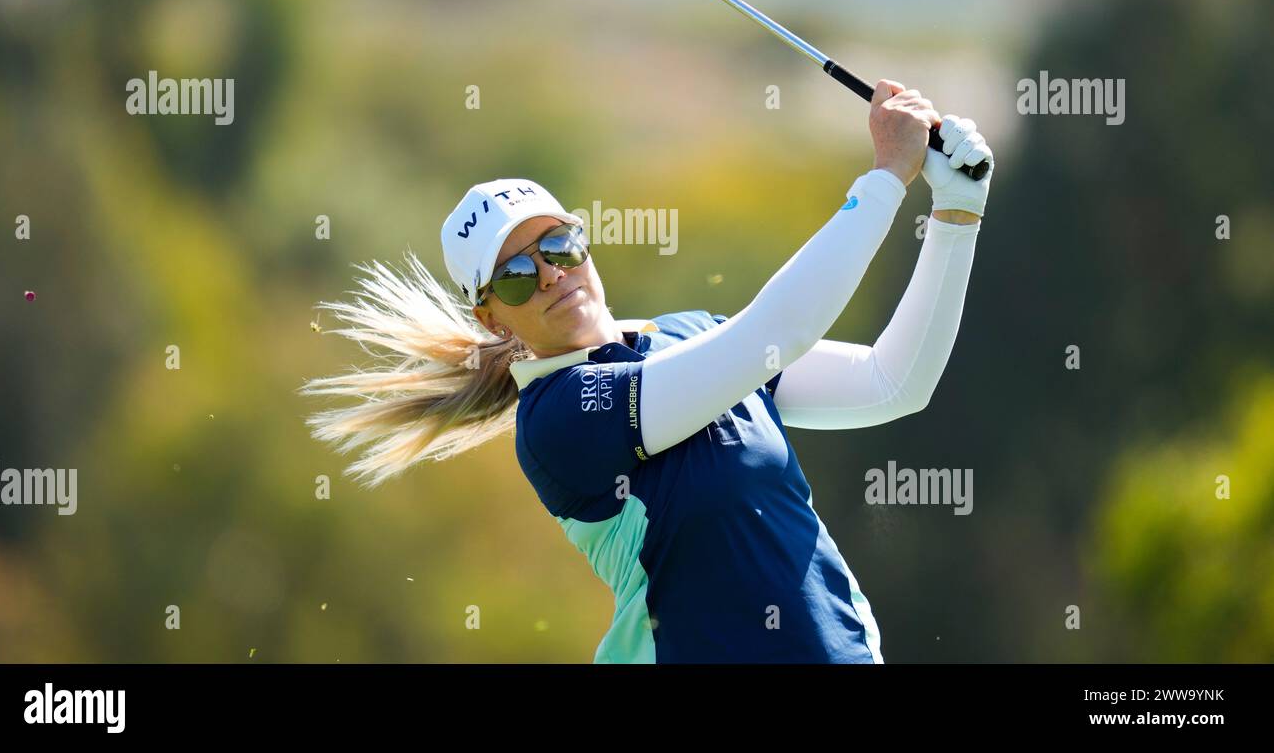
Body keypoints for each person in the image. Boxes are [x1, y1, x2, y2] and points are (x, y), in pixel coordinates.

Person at [301, 78, 994, 663]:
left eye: (557, 244)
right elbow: (773, 334)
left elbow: (892, 383)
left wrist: (956, 215)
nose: (549, 274)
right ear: (491, 318)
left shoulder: (693, 335)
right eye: (515, 275)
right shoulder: (561, 420)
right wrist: (881, 182)